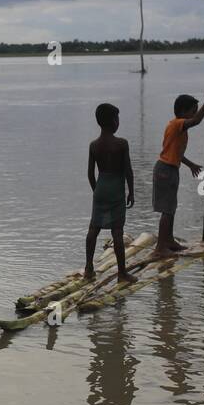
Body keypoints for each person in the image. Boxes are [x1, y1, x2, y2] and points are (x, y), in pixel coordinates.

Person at [153, 88, 204, 258]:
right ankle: (160, 248)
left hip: (171, 169)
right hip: (165, 170)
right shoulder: (177, 124)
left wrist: (190, 165)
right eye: (192, 111)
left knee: (171, 207)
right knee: (167, 210)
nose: (195, 114)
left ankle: (168, 241)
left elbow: (177, 153)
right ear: (182, 112)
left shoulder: (180, 130)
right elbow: (197, 121)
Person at [85, 102, 137, 284]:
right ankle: (122, 274)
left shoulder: (94, 145)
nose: (118, 122)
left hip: (101, 187)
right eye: (117, 118)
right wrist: (131, 191)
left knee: (93, 229)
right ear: (113, 121)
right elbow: (128, 171)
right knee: (117, 232)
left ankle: (88, 269)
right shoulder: (121, 144)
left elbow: (90, 173)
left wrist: (96, 191)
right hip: (115, 188)